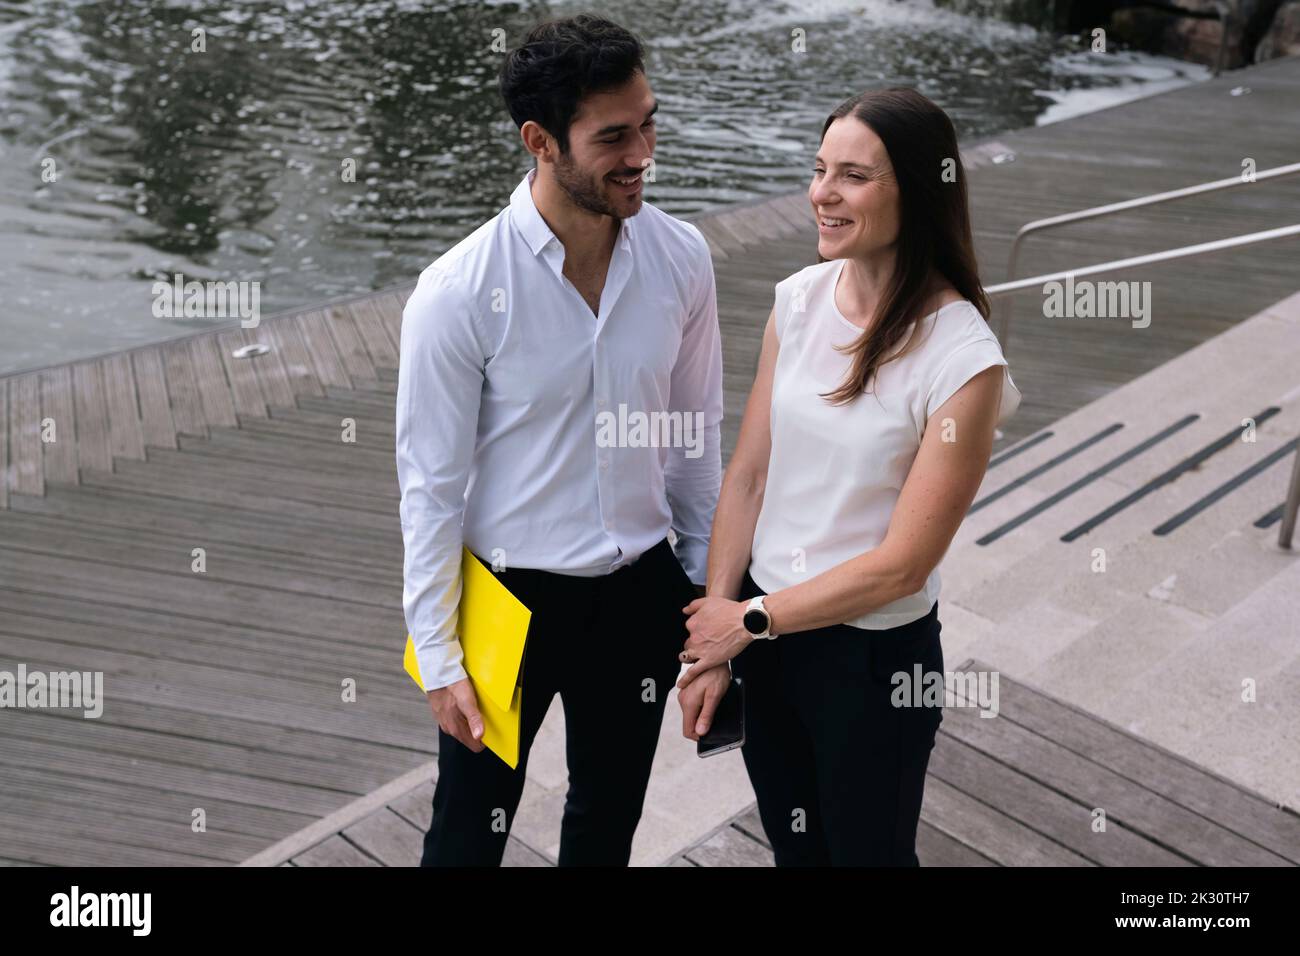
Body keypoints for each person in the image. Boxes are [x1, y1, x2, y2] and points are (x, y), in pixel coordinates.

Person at [396, 14, 722, 866]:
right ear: (540, 141)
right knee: (465, 835)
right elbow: (429, 484)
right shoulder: (457, 292)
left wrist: (706, 583)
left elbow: (694, 437)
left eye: (649, 122)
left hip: (642, 592)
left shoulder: (683, 257)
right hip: (507, 600)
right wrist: (437, 654)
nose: (642, 151)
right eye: (613, 136)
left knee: (606, 828)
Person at [675, 88, 1022, 866]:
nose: (821, 194)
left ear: (918, 193)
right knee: (795, 850)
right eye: (819, 169)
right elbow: (749, 477)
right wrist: (717, 640)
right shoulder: (797, 302)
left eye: (854, 177)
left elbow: (905, 563)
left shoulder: (963, 358)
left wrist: (749, 621)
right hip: (767, 642)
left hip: (872, 665)